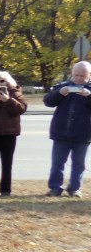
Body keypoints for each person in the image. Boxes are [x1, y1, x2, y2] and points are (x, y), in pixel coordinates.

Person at [44, 60, 91, 198]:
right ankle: (55, 187)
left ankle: (74, 189)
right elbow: (48, 102)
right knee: (57, 163)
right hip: (61, 132)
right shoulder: (62, 86)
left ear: (89, 75)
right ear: (72, 73)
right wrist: (59, 93)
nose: (79, 78)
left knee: (79, 164)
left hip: (83, 133)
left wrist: (89, 96)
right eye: (76, 75)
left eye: (82, 75)